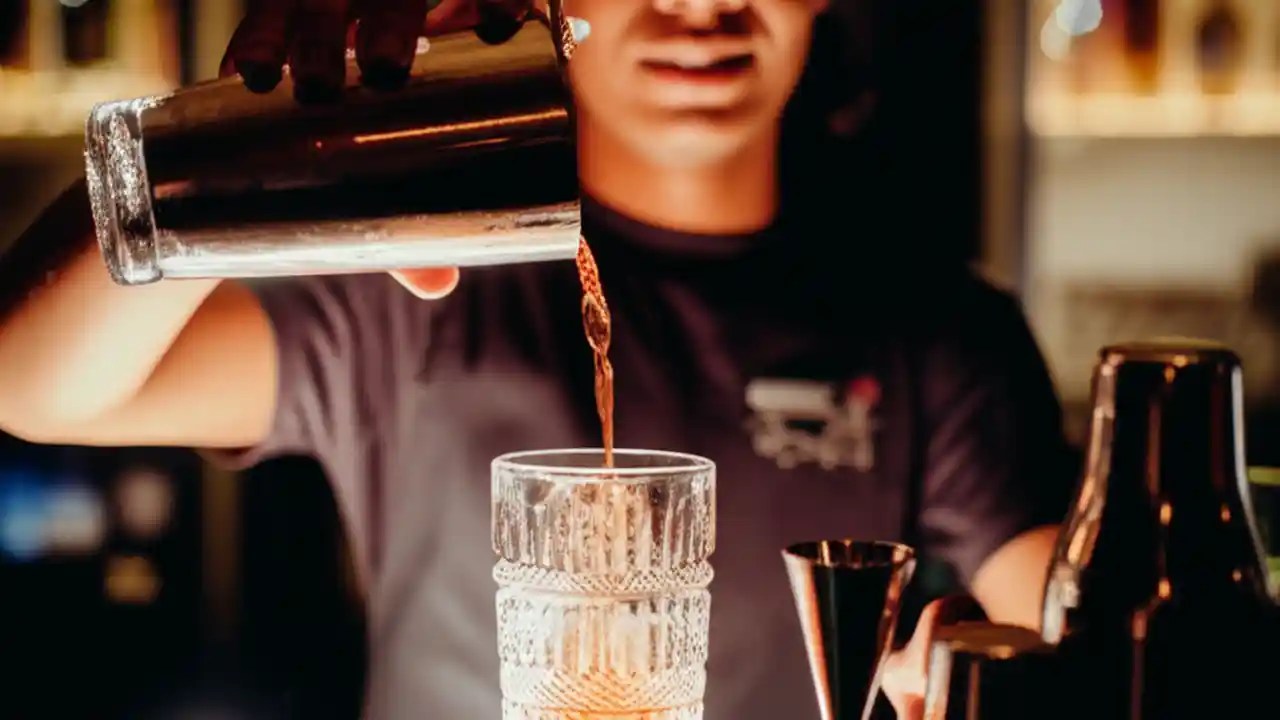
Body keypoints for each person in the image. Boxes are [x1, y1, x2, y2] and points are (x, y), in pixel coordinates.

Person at [0, 0, 1076, 718]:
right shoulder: (409, 275)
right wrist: (219, 147)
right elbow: (29, 385)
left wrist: (994, 675)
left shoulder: (933, 325)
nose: (697, 6)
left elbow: (1070, 618)